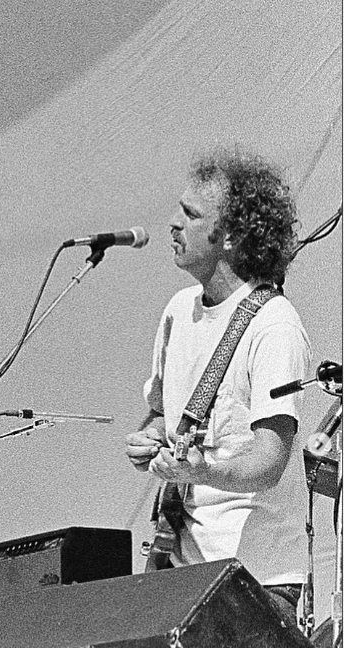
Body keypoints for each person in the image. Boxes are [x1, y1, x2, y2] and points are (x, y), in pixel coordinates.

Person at [125, 148, 311, 623]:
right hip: (182, 571)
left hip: (255, 579)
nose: (172, 222)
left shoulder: (274, 325)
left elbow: (270, 461)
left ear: (229, 236)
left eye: (190, 214)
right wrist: (150, 438)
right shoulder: (177, 311)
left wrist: (200, 470)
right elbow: (163, 413)